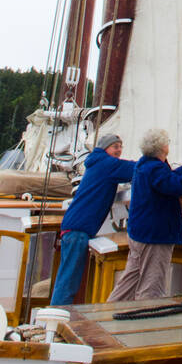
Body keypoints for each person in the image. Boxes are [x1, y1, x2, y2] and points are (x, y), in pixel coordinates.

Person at [108, 129, 182, 302]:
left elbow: (171, 177)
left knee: (129, 282)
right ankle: (146, 320)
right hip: (155, 237)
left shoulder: (145, 165)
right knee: (152, 287)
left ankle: (106, 315)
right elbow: (177, 185)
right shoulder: (155, 169)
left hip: (140, 235)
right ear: (162, 147)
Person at [50, 129, 133, 305]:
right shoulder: (107, 164)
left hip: (74, 228)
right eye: (115, 147)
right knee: (69, 280)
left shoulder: (98, 163)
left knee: (67, 277)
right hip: (77, 231)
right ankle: (57, 316)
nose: (119, 150)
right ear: (105, 149)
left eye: (120, 147)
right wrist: (156, 162)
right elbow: (134, 169)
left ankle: (56, 314)